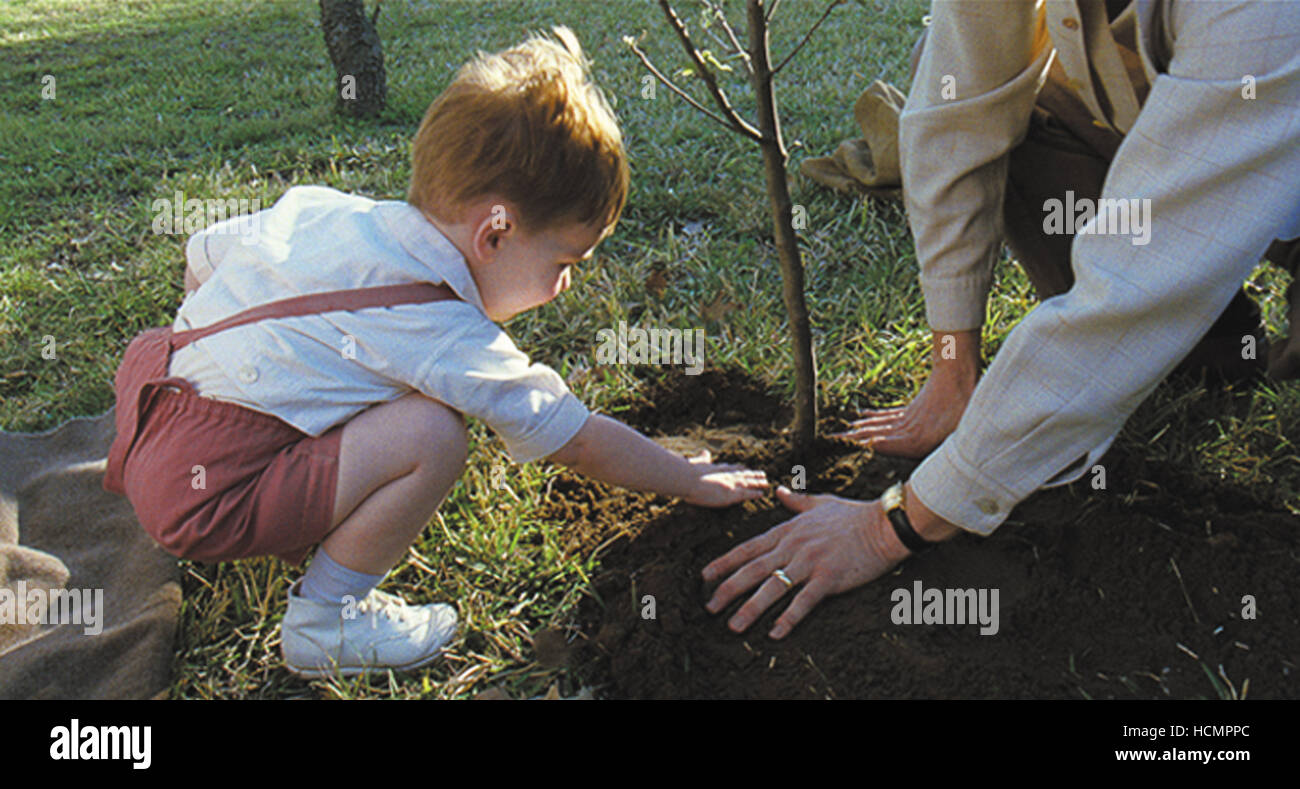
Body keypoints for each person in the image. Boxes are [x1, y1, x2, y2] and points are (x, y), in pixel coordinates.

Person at [130, 27, 768, 677]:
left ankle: (255, 486)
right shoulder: (442, 328)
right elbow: (573, 437)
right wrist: (686, 477)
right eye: (565, 260)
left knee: (383, 391)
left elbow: (201, 253)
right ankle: (327, 621)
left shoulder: (328, 211)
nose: (568, 283)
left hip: (149, 412)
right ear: (495, 232)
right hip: (209, 493)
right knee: (431, 432)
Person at [702, 0, 1299, 640]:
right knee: (1030, 111)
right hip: (1202, 124)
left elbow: (1127, 294)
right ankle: (1204, 341)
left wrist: (892, 526)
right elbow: (956, 113)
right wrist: (953, 371)